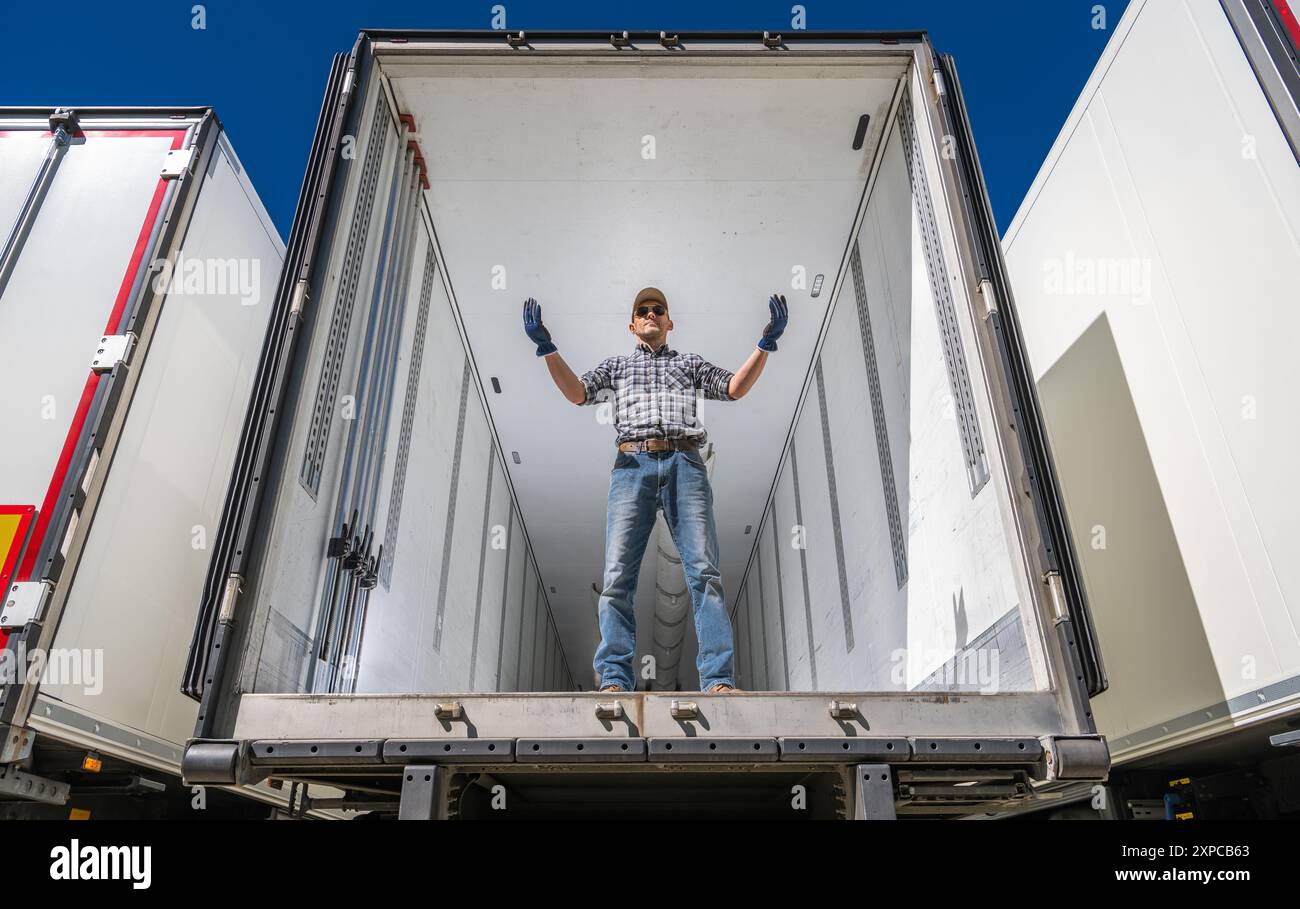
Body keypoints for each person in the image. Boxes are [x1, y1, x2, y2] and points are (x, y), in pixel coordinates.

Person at [522, 286, 788, 694]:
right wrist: (547, 349)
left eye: (658, 310)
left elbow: (733, 388)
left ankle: (717, 680)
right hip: (632, 466)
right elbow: (578, 394)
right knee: (617, 577)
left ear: (669, 322)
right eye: (643, 310)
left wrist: (765, 344)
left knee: (704, 573)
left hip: (686, 463)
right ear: (632, 325)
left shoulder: (690, 364)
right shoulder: (615, 367)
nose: (651, 313)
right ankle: (613, 678)